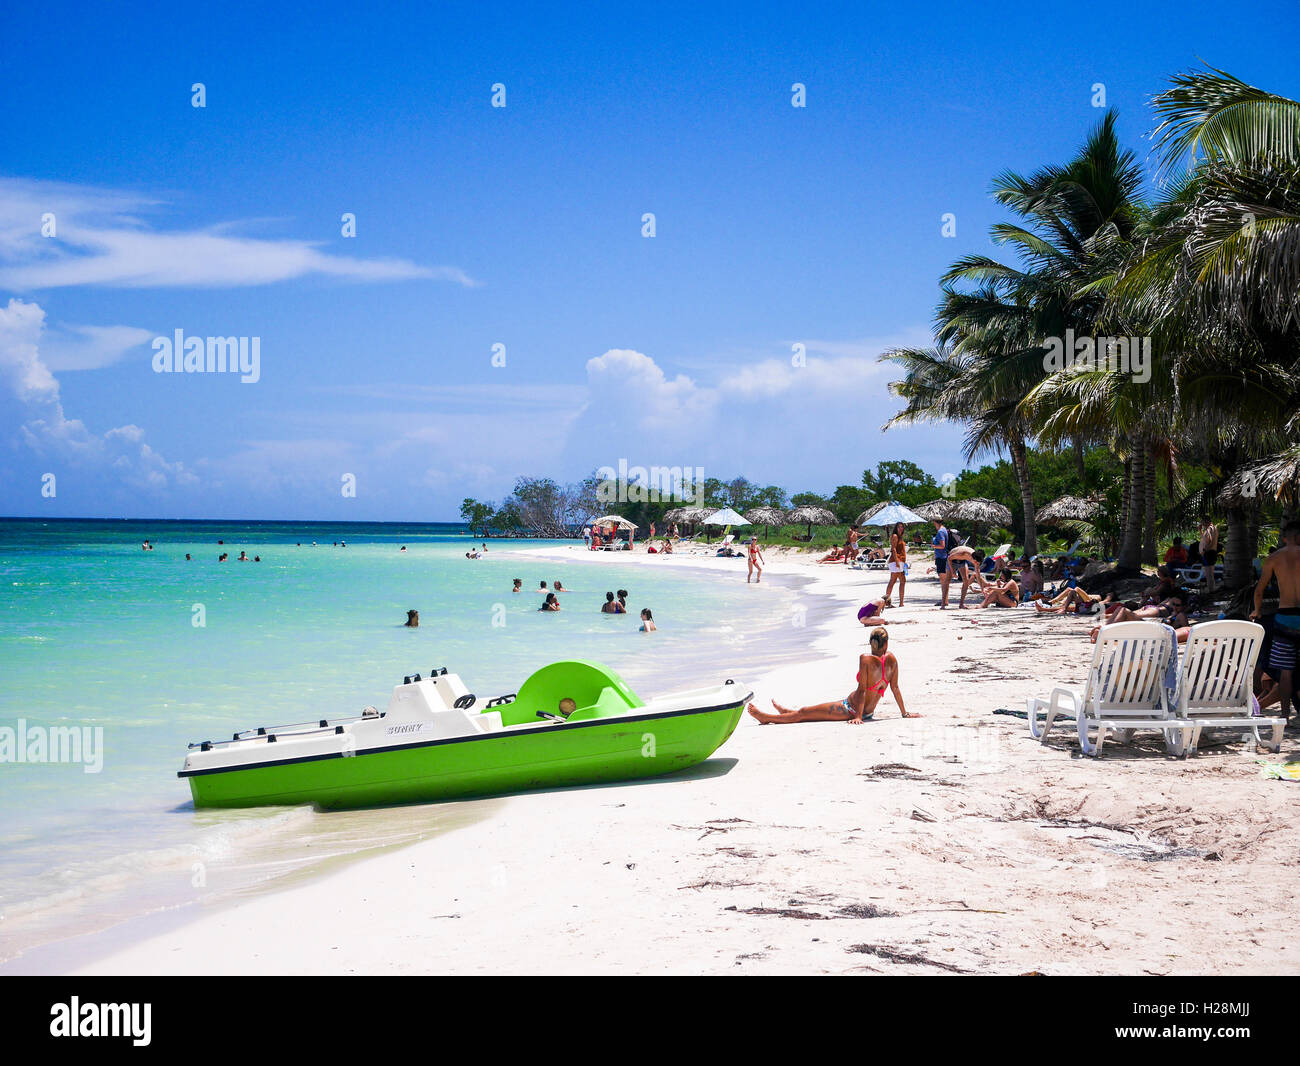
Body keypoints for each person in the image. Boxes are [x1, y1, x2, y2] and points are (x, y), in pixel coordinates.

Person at [746, 627, 919, 723]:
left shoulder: (865, 659)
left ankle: (766, 718)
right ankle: (786, 712)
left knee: (804, 713)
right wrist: (904, 713)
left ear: (871, 643)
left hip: (850, 709)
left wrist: (858, 716)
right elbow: (895, 688)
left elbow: (861, 691)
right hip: (859, 709)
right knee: (805, 712)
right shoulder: (892, 660)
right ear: (886, 642)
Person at [1252, 519, 1300, 723]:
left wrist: (1256, 610)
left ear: (1284, 538)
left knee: (1286, 671)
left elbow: (1259, 590)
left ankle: (1284, 715)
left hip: (1285, 617)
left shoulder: (1273, 558)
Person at [931, 518, 953, 606]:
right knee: (944, 580)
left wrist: (934, 546)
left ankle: (945, 600)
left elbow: (942, 545)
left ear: (935, 522)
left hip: (941, 557)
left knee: (943, 580)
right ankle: (945, 599)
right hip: (944, 557)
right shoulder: (944, 530)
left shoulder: (940, 532)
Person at [884, 522, 908, 606]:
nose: (901, 528)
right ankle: (889, 602)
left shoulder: (900, 537)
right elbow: (893, 549)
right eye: (899, 527)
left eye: (902, 527)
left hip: (899, 561)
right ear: (896, 528)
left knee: (900, 580)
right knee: (895, 580)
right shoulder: (895, 536)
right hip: (896, 561)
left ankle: (898, 602)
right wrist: (897, 561)